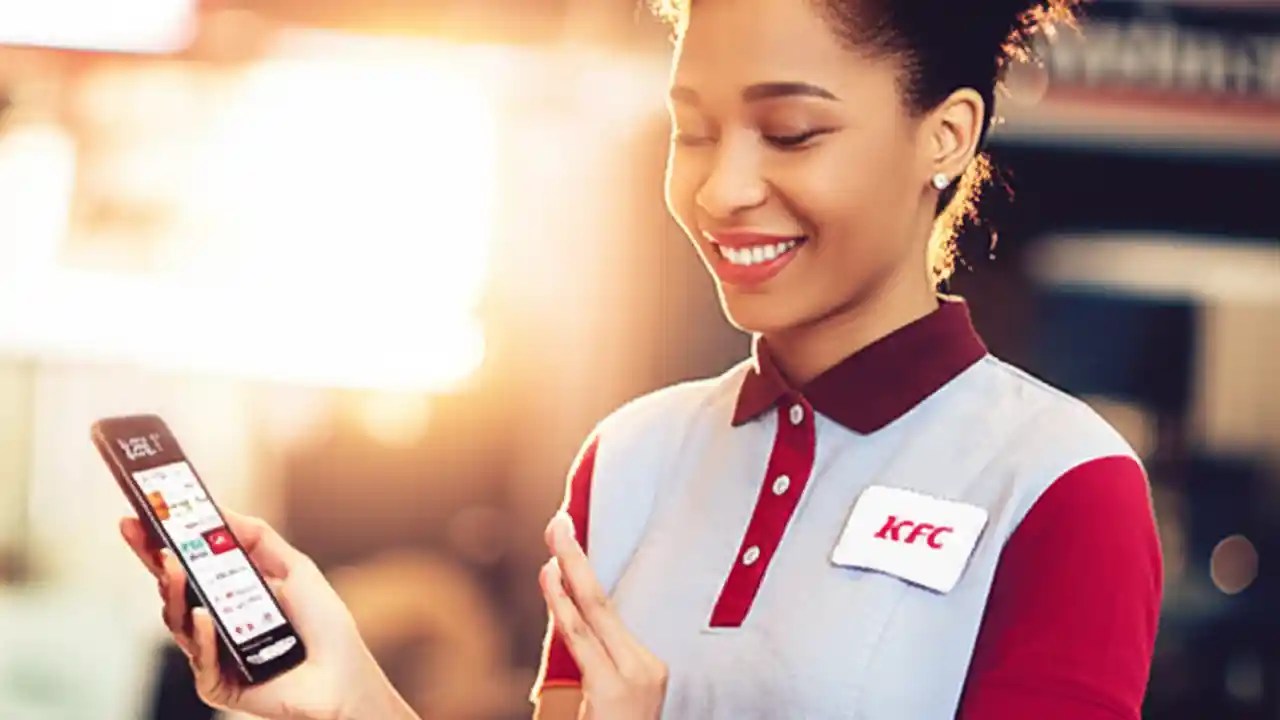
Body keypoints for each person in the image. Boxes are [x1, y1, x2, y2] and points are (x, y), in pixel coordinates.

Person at [121, 0, 1163, 717]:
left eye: (791, 132)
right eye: (693, 131)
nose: (720, 189)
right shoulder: (630, 457)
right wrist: (347, 694)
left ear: (946, 135)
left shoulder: (1058, 485)